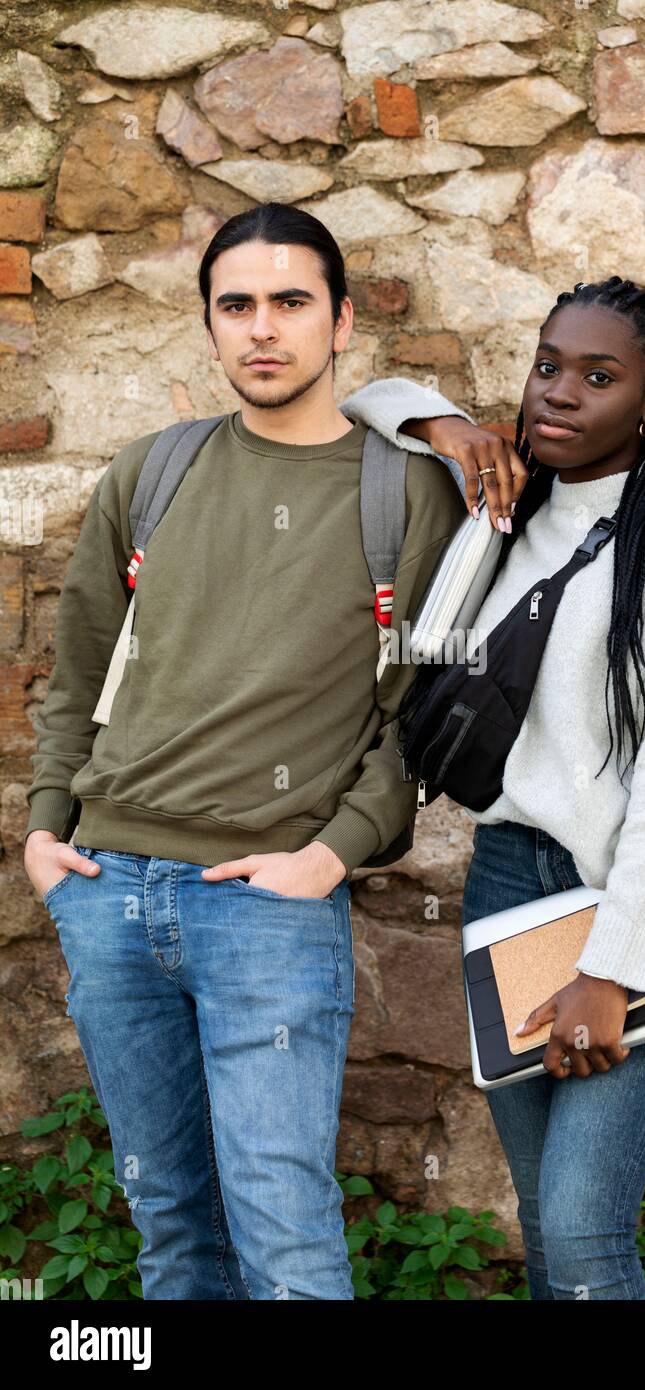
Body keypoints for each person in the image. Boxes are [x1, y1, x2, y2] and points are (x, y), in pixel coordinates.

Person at [23, 202, 486, 1300]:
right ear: (209, 325)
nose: (262, 328)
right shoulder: (154, 471)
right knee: (172, 1225)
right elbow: (79, 668)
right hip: (107, 891)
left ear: (339, 326)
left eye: (290, 302)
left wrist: (329, 856)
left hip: (267, 906)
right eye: (236, 305)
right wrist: (46, 829)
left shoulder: (408, 493)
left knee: (283, 1236)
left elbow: (414, 713)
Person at [341, 276, 645, 1300]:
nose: (559, 394)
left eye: (597, 376)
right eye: (546, 366)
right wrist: (446, 425)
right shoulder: (505, 504)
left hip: (627, 899)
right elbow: (368, 398)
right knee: (542, 1229)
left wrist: (616, 968)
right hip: (504, 888)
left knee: (580, 1230)